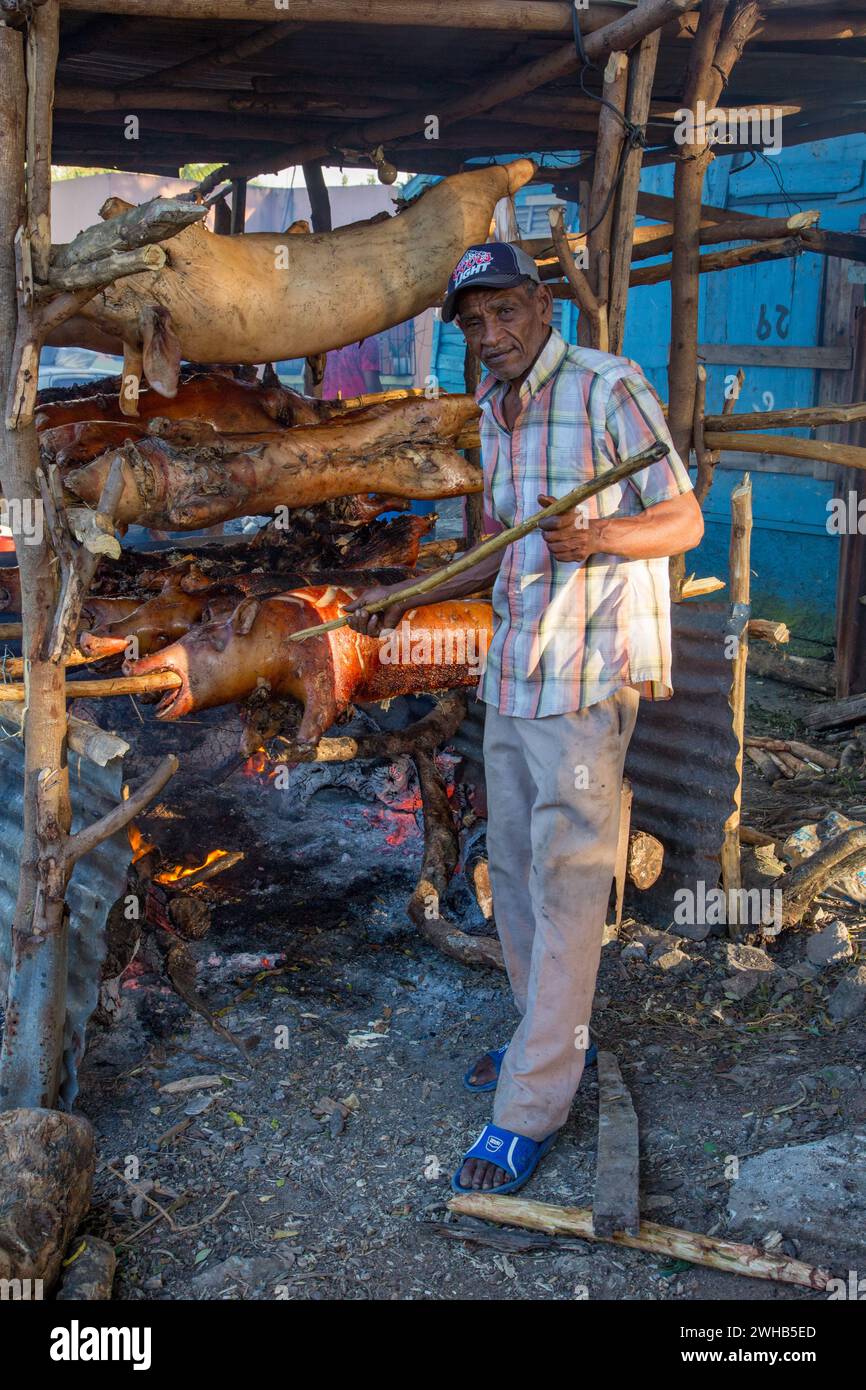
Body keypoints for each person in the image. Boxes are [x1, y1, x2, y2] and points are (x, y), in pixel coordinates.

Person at [346, 242, 704, 1195]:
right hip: (515, 672)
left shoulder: (606, 386)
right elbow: (500, 551)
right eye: (475, 322)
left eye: (506, 312)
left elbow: (683, 523)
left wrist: (600, 536)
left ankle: (534, 1099)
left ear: (542, 304)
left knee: (571, 879)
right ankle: (546, 1041)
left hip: (586, 676)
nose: (492, 334)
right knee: (510, 870)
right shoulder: (492, 411)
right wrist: (408, 600)